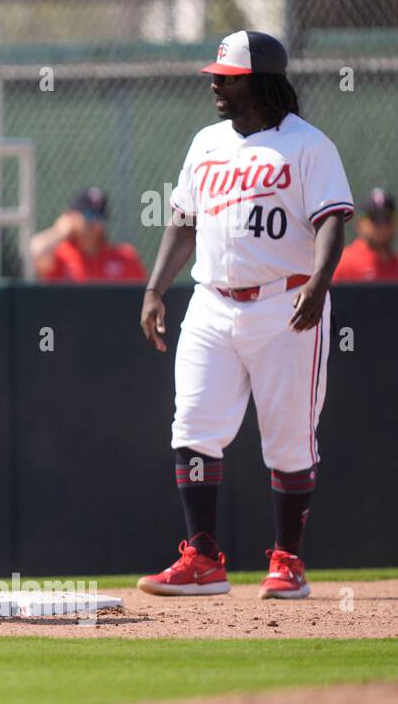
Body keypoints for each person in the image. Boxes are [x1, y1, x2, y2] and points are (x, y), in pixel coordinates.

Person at [138, 30, 353, 601]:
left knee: (287, 441)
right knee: (193, 425)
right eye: (216, 76)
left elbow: (333, 220)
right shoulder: (206, 142)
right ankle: (203, 559)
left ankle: (288, 561)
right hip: (211, 301)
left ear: (258, 83)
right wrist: (156, 288)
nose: (215, 85)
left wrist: (320, 280)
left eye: (227, 79)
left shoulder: (308, 146)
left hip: (286, 302)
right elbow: (182, 221)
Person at [30, 188, 146, 281]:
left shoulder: (124, 257)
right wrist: (61, 231)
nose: (94, 224)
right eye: (88, 216)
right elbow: (36, 252)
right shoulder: (58, 256)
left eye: (99, 217)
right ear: (70, 216)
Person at [333, 188, 398, 282]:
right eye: (375, 218)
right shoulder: (342, 263)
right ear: (360, 223)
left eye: (387, 218)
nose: (382, 224)